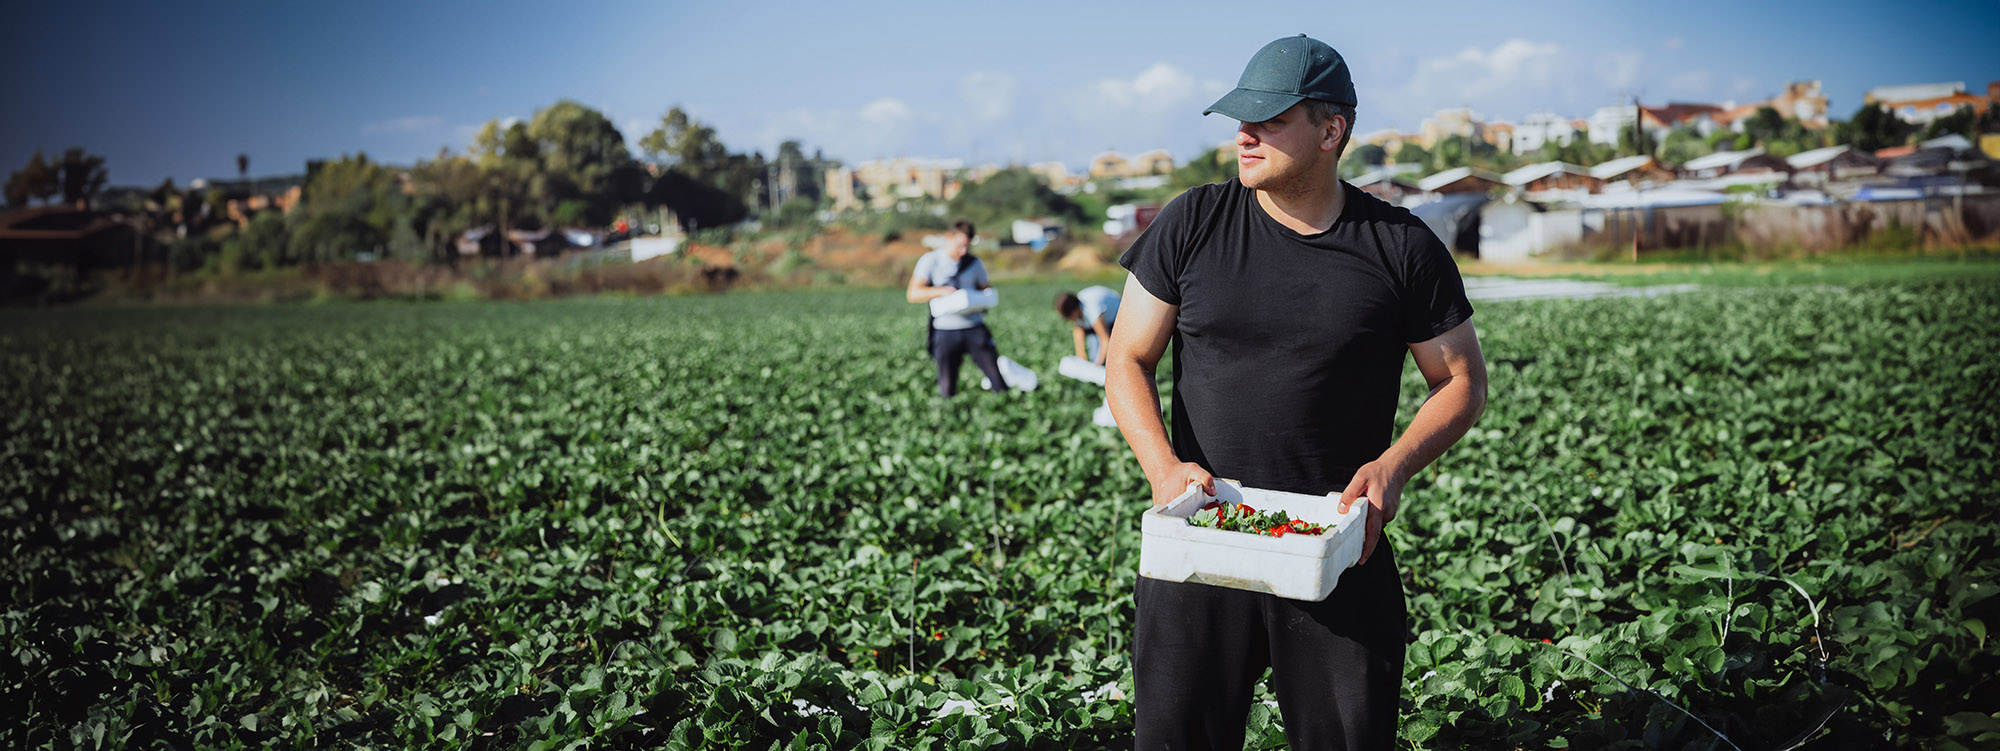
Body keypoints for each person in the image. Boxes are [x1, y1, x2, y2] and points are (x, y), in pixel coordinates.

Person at [1104, 34, 1488, 750]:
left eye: (1271, 120)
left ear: (1331, 130)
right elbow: (1126, 357)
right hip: (1201, 535)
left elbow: (1460, 379)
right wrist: (1162, 467)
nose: (1244, 135)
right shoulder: (1192, 223)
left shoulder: (1401, 247)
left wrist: (1393, 467)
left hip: (1337, 545)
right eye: (1242, 119)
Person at [907, 220, 1009, 397]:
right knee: (947, 384)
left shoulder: (974, 263)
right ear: (949, 237)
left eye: (967, 247)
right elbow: (913, 294)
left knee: (996, 377)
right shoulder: (931, 260)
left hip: (974, 327)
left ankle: (1004, 403)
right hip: (945, 330)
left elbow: (987, 291)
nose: (963, 251)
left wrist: (977, 302)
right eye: (960, 246)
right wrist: (942, 291)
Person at [1055, 285, 1120, 365]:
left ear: (1073, 311)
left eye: (1069, 317)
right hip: (1098, 319)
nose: (1070, 320)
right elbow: (1078, 330)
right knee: (1094, 352)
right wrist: (1081, 355)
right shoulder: (1076, 306)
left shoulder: (1092, 310)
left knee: (1108, 357)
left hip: (1116, 316)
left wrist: (1098, 364)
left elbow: (1105, 339)